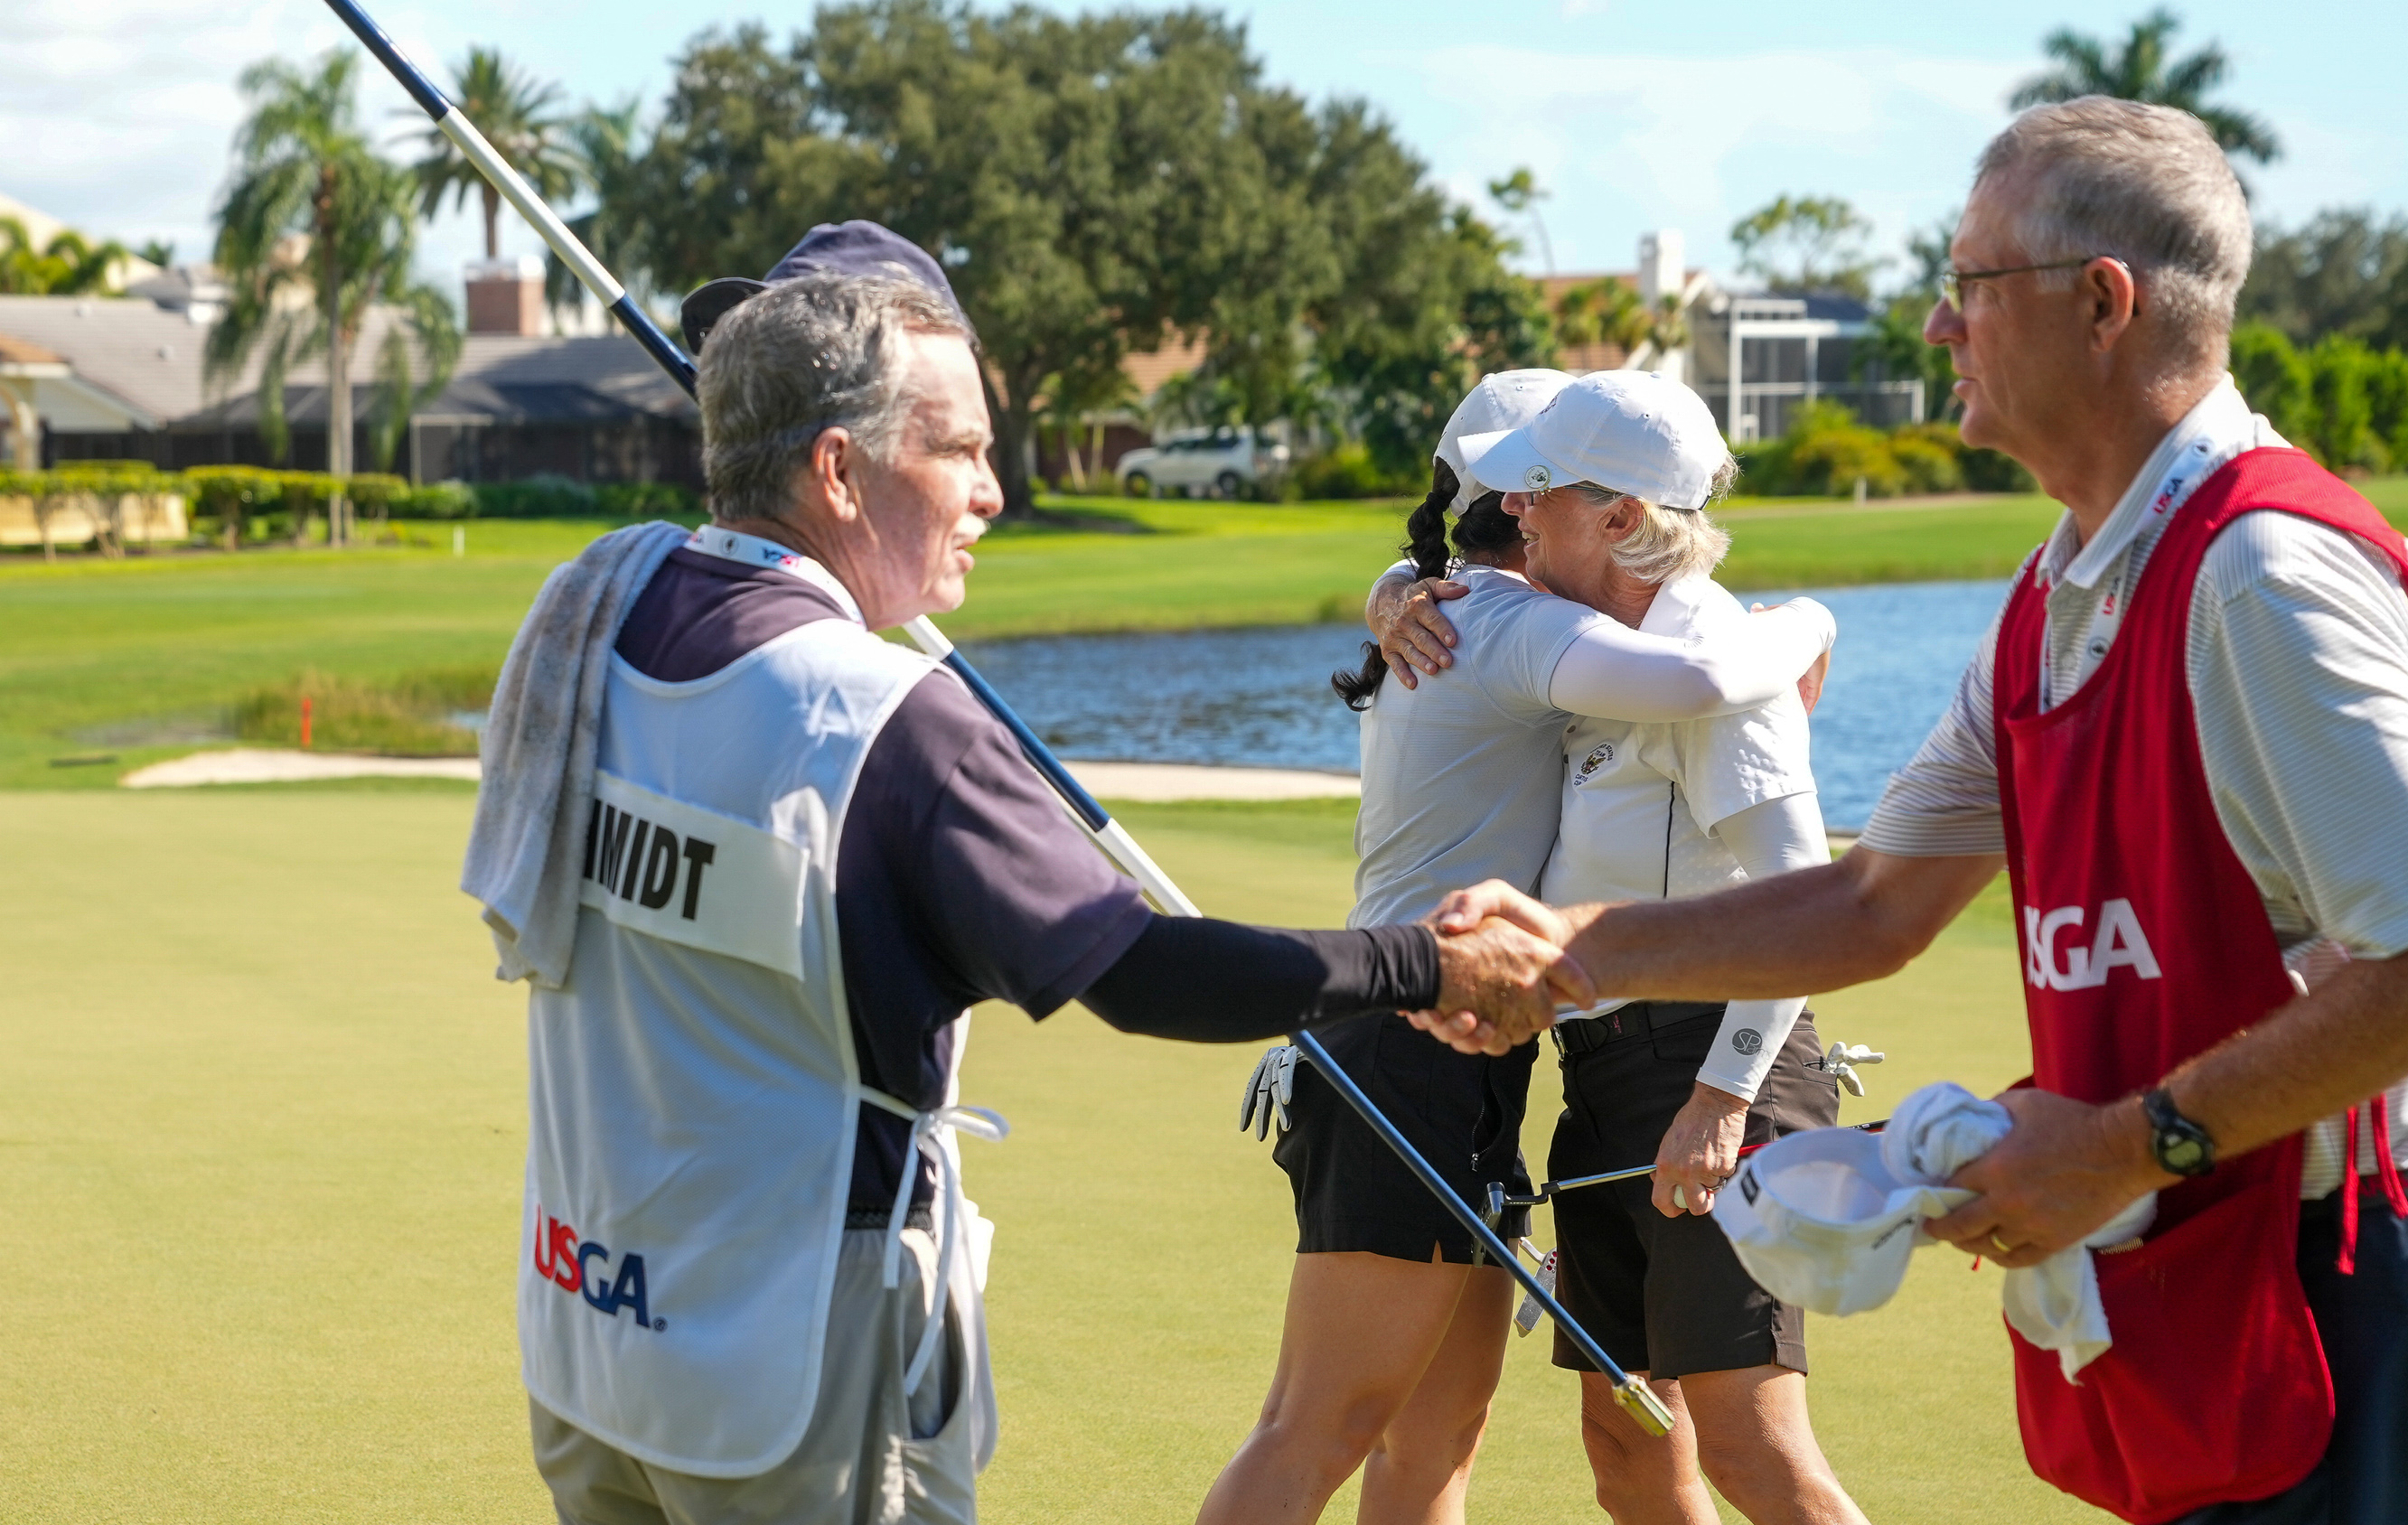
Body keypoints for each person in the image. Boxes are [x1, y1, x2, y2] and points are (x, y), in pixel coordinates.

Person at [1415, 99, 2408, 1525]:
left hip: (2343, 1264)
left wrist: (2114, 1143)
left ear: (2103, 304)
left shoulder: (2260, 571)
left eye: (1971, 286)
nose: (1936, 328)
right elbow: (1871, 904)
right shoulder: (2059, 588)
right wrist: (1578, 954)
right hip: (2198, 1238)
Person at [460, 223, 1579, 1525]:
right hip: (796, 1382)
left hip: (593, 1339)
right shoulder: (894, 725)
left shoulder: (596, 608)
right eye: (964, 451)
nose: (993, 491)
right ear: (838, 468)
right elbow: (1148, 973)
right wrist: (1426, 963)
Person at [1201, 370, 1839, 1525]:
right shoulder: (1506, 621)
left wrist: (1389, 584)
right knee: (1331, 1426)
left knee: (1434, 1439)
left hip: (1484, 1049)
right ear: (1516, 500)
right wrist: (1813, 618)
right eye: (1531, 483)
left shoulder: (1481, 612)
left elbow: (1770, 839)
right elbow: (1700, 670)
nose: (1536, 505)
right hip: (1418, 1040)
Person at [1442, 370, 1866, 1525]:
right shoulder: (1597, 644)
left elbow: (1805, 899)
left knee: (1752, 1448)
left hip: (1714, 1068)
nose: (1513, 509)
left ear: (1623, 519)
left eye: (1539, 491)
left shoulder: (1718, 664)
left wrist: (1722, 1098)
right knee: (1628, 1433)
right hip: (1610, 1075)